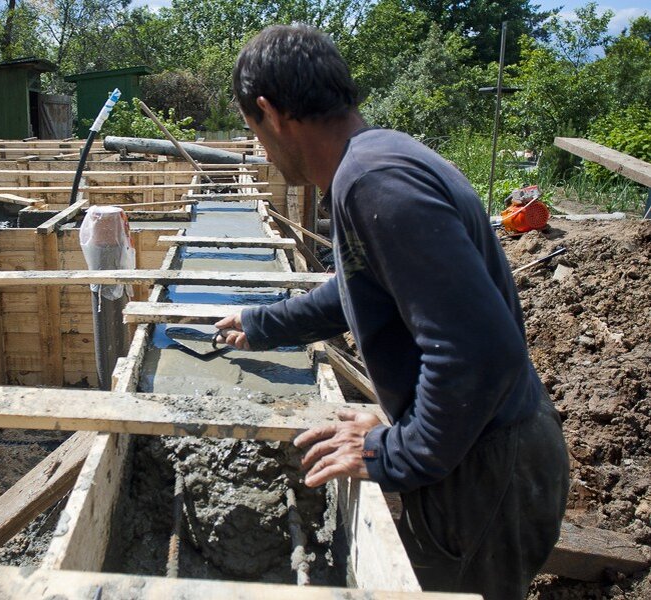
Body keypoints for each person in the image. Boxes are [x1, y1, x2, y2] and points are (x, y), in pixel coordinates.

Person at [215, 24, 569, 599]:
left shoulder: (374, 184)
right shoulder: (377, 159)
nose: (263, 150)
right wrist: (263, 323)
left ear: (270, 113)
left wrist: (396, 450)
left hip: (484, 473)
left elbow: (479, 353)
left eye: (254, 131)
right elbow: (361, 290)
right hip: (480, 450)